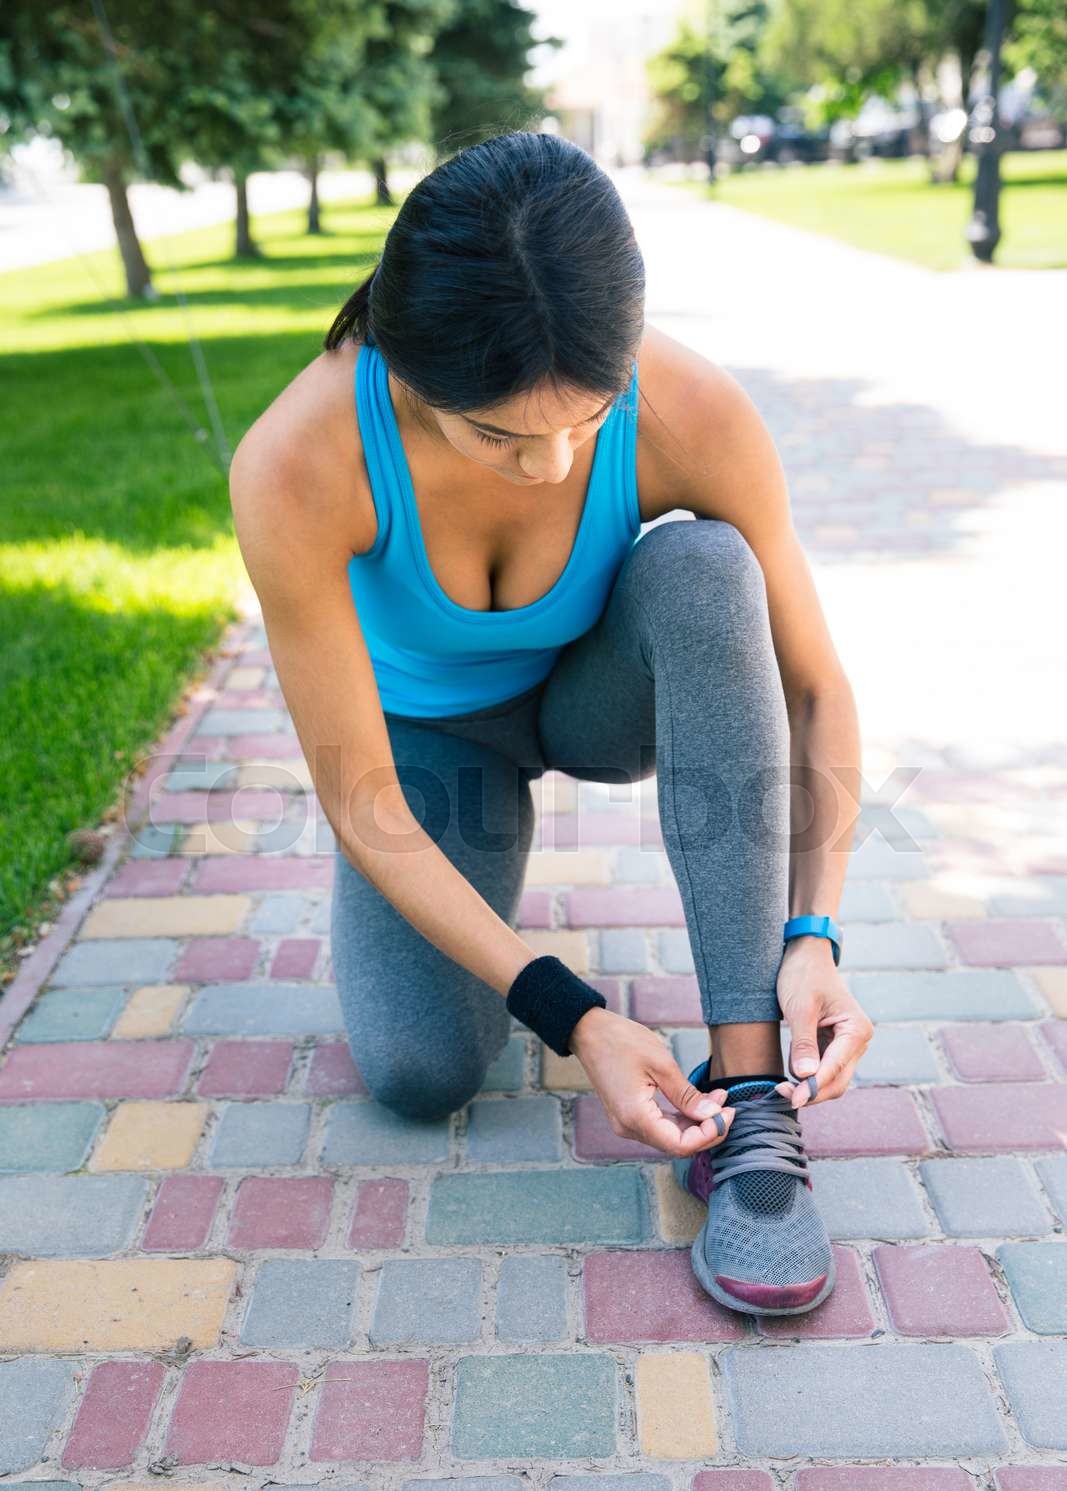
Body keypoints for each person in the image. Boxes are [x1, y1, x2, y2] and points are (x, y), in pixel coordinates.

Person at [228, 129, 874, 1317]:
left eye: (586, 419)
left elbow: (817, 685)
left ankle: (751, 1100)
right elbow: (357, 795)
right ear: (410, 375)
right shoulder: (298, 460)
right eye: (501, 436)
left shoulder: (688, 406)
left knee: (703, 570)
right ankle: (467, 880)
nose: (553, 463)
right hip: (428, 752)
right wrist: (570, 1015)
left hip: (594, 698)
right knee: (420, 1074)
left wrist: (814, 930)